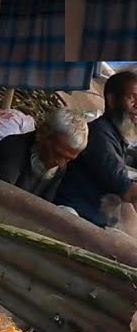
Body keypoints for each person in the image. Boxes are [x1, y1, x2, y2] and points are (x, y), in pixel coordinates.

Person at [55, 71, 137, 227]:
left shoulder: (116, 137)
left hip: (94, 222)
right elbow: (129, 191)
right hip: (73, 218)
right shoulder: (99, 135)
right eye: (132, 98)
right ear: (112, 100)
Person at [0, 108, 88, 203]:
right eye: (58, 154)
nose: (60, 163)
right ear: (43, 133)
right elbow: (0, 201)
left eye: (68, 159)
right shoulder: (12, 153)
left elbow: (45, 204)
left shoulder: (59, 166)